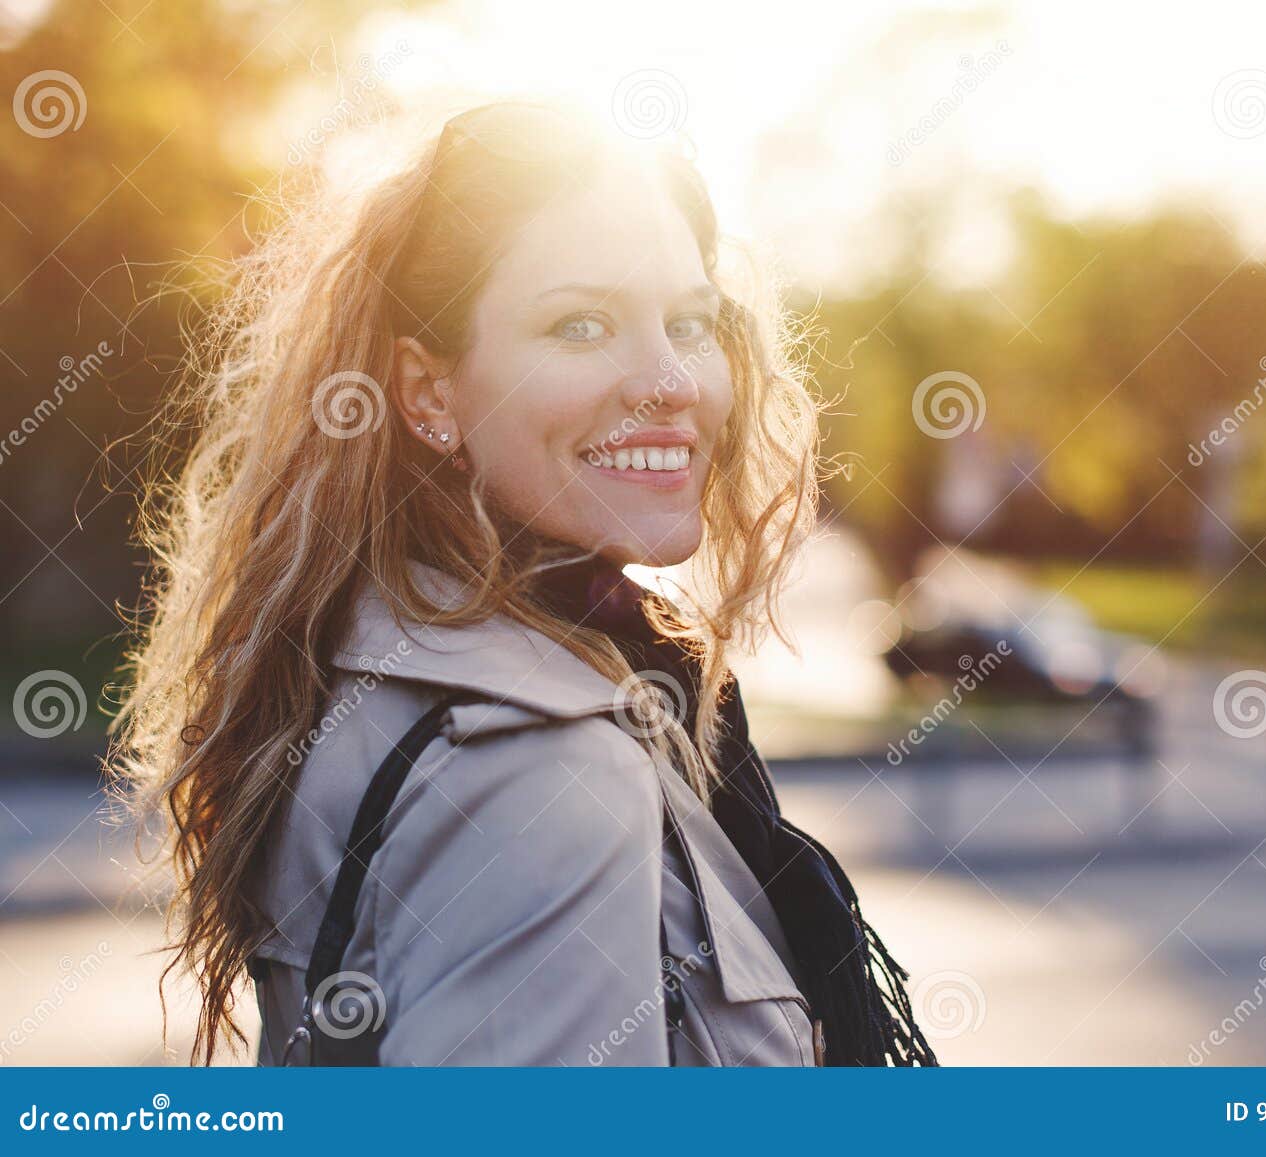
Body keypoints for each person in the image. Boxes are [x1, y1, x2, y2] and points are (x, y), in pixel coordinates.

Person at [109, 102, 936, 1066]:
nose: (668, 378)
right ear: (428, 391)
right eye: (580, 324)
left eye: (689, 322)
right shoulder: (538, 773)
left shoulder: (385, 652)